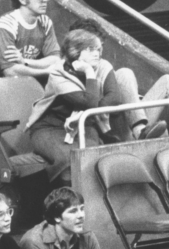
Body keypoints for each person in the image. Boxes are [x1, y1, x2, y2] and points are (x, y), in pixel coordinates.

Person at [67, 17, 169, 143]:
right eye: (92, 47)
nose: (98, 52)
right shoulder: (67, 71)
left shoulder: (103, 65)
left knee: (168, 81)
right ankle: (140, 130)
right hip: (111, 130)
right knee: (124, 73)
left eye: (100, 46)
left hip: (131, 120)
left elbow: (115, 98)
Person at [24, 29, 123, 184]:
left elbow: (111, 99)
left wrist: (91, 111)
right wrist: (89, 72)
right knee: (70, 158)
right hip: (49, 129)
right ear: (75, 52)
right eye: (90, 50)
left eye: (98, 49)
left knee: (93, 155)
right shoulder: (59, 73)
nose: (96, 54)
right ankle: (69, 200)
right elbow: (89, 103)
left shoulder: (100, 65)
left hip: (82, 126)